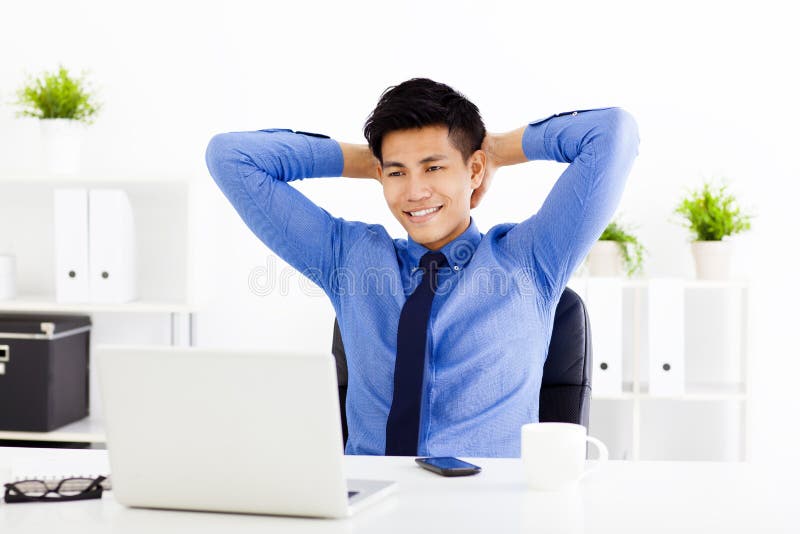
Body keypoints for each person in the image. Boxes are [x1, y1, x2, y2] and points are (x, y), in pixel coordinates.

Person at [205, 78, 639, 457]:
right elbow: (231, 157)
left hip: (489, 508)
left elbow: (612, 133)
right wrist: (370, 163)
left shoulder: (530, 260)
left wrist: (498, 149)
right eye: (398, 174)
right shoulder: (350, 259)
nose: (414, 192)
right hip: (370, 504)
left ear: (473, 170)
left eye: (433, 167)